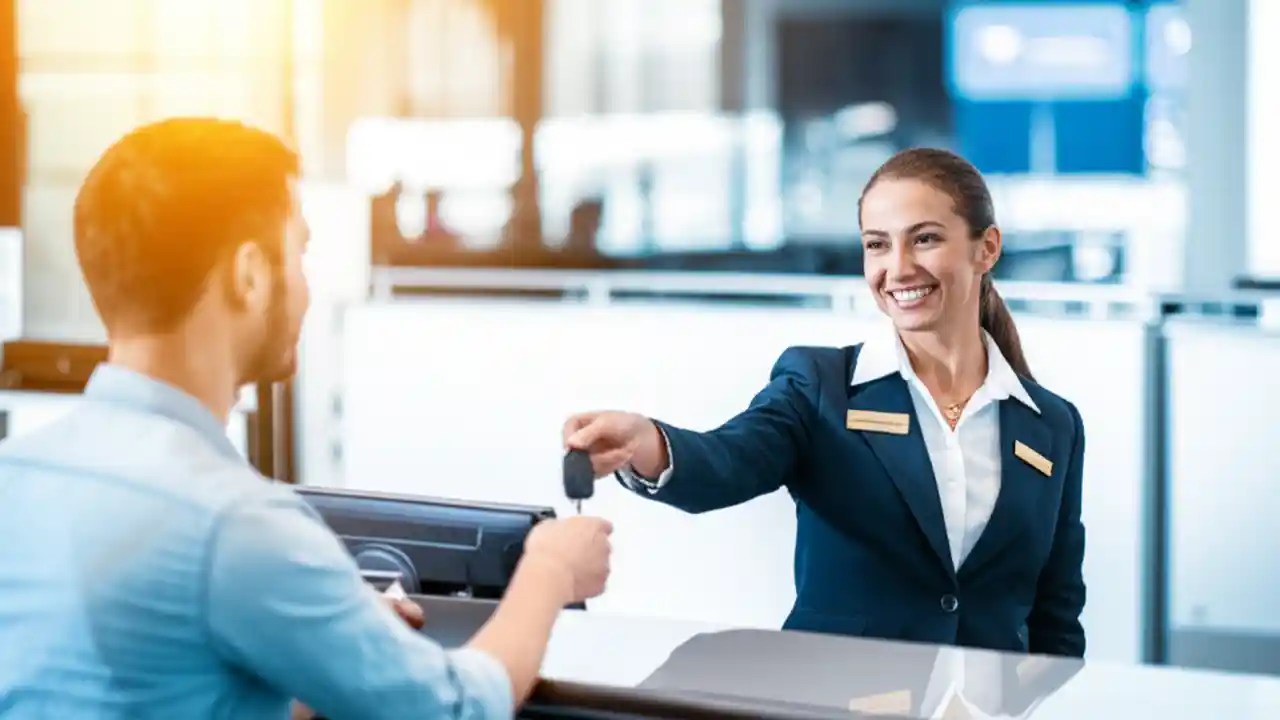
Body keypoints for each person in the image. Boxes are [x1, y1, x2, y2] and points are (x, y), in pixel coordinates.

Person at [0, 118, 613, 719]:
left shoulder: (16, 478)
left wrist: (321, 650)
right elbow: (455, 707)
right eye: (300, 253)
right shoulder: (234, 523)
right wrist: (550, 569)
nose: (305, 286)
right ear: (248, 276)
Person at [564, 148, 1086, 658]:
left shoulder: (1052, 425)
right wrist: (646, 441)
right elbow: (727, 461)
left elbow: (1055, 618)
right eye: (877, 245)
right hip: (834, 705)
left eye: (924, 239)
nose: (898, 268)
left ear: (986, 248)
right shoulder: (821, 385)